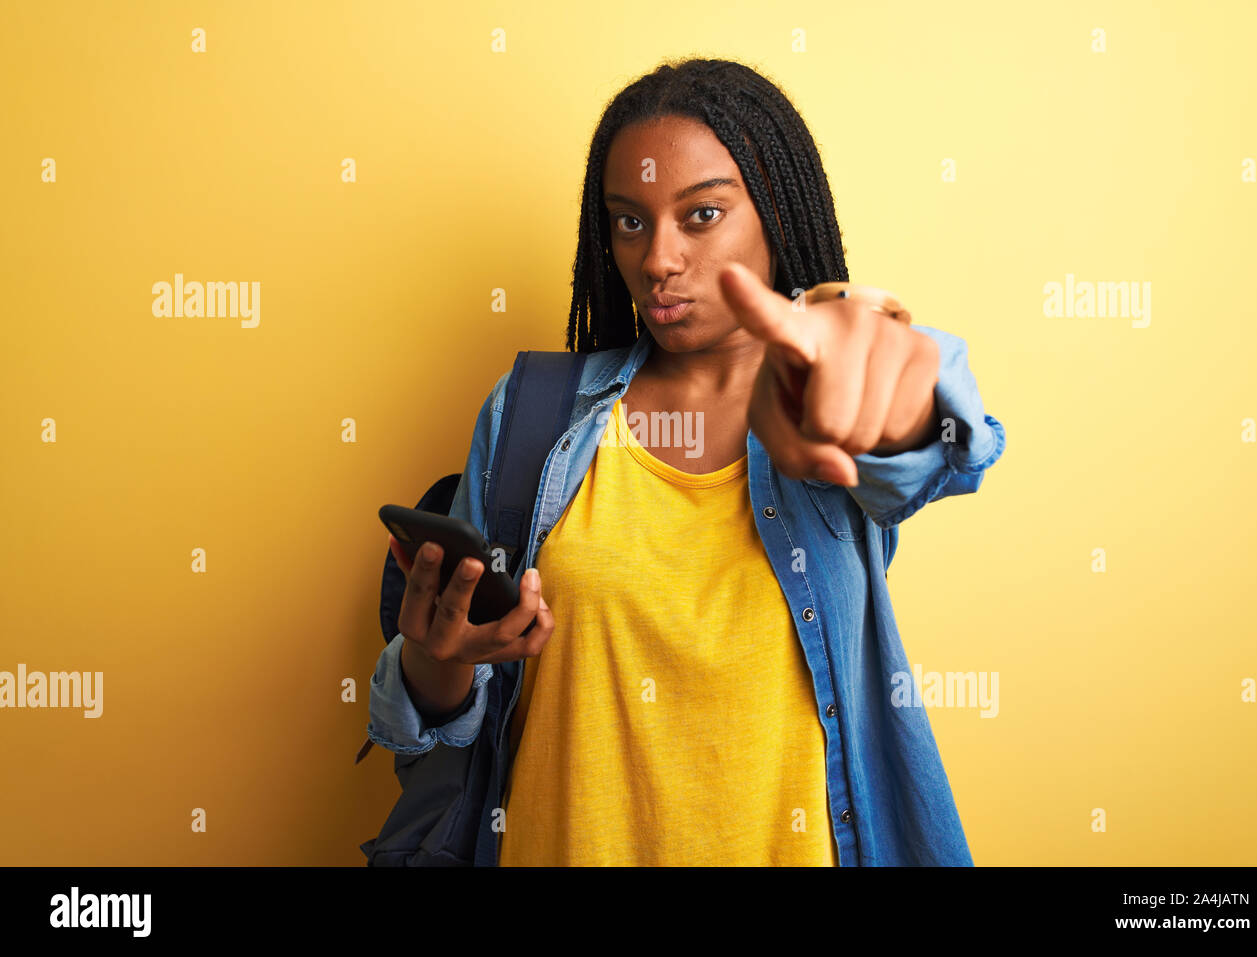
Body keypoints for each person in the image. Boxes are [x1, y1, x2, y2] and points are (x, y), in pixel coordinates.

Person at [368, 57, 1006, 866]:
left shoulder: (828, 406)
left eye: (701, 214)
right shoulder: (532, 413)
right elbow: (447, 715)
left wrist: (903, 401)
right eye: (629, 221)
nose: (658, 258)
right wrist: (436, 657)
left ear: (775, 212)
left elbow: (937, 445)